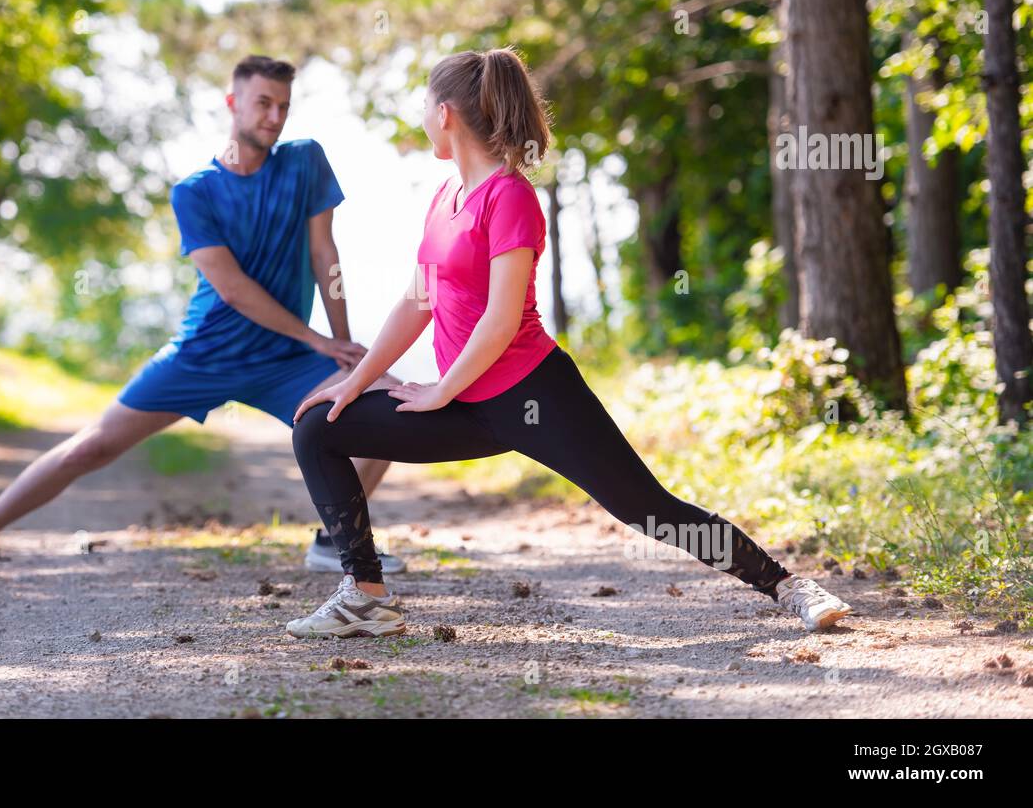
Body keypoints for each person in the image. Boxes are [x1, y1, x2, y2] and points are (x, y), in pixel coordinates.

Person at [285, 46, 852, 639]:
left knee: (648, 509)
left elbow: (501, 319)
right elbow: (418, 301)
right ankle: (366, 595)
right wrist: (356, 381)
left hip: (533, 393)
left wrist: (440, 389)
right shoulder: (443, 201)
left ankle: (789, 586)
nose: (423, 117)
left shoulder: (510, 197)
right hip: (463, 405)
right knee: (320, 427)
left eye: (426, 105)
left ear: (446, 112)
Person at [0, 54, 407, 578]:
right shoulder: (195, 191)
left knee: (378, 402)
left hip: (287, 359)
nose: (274, 116)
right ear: (233, 104)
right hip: (203, 355)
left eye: (284, 106)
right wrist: (318, 340)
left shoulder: (306, 161)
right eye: (263, 103)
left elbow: (324, 255)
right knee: (92, 448)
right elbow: (232, 289)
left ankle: (331, 539)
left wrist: (343, 349)